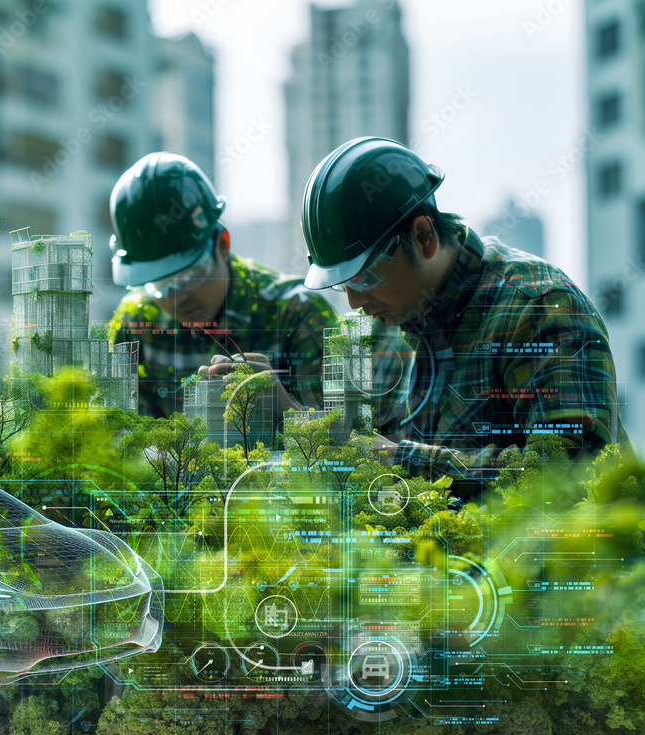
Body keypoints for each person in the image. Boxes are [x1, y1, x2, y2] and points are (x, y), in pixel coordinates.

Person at [299, 136, 626, 483]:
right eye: (341, 283)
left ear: (424, 236)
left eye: (365, 276)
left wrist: (398, 459)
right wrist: (290, 416)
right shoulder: (379, 333)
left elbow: (574, 471)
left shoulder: (537, 308)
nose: (354, 301)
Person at [108, 152, 339, 422]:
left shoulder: (298, 316)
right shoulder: (135, 322)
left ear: (222, 245)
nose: (176, 298)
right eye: (158, 285)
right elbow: (121, 435)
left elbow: (349, 444)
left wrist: (285, 410)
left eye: (189, 276)